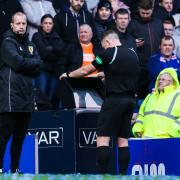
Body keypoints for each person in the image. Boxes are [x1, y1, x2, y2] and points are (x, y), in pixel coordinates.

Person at [60, 30, 140, 174]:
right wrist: (104, 74)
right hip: (129, 101)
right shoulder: (133, 54)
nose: (104, 49)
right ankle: (123, 176)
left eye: (104, 46)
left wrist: (68, 75)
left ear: (107, 42)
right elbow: (122, 72)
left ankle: (102, 176)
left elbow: (85, 70)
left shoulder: (109, 53)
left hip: (113, 100)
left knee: (103, 138)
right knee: (123, 141)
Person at [0, 12, 42, 173]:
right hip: (10, 97)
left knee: (20, 137)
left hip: (26, 97)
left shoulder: (31, 44)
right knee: (3, 136)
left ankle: (15, 168)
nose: (21, 26)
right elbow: (17, 63)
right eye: (18, 23)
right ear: (12, 25)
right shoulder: (7, 43)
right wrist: (31, 61)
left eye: (23, 23)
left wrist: (28, 61)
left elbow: (40, 67)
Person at [128, 0, 163, 99]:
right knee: (140, 97)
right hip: (139, 67)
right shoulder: (132, 24)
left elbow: (162, 41)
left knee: (156, 96)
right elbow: (126, 42)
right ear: (139, 9)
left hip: (156, 65)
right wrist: (133, 43)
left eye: (147, 13)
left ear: (152, 10)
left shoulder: (158, 23)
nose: (145, 15)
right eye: (143, 13)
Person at [132, 68, 180, 138]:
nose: (160, 81)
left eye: (163, 79)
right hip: (146, 139)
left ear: (171, 81)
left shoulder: (178, 96)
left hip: (168, 140)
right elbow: (141, 115)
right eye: (159, 79)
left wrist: (172, 132)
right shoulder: (150, 96)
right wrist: (138, 129)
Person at [32, 14, 67, 108]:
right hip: (41, 70)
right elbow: (43, 52)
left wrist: (50, 49)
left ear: (53, 25)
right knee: (41, 96)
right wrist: (55, 51)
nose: (48, 25)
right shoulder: (36, 36)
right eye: (45, 23)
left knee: (51, 97)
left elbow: (63, 50)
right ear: (41, 24)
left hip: (54, 71)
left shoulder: (56, 36)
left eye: (50, 23)